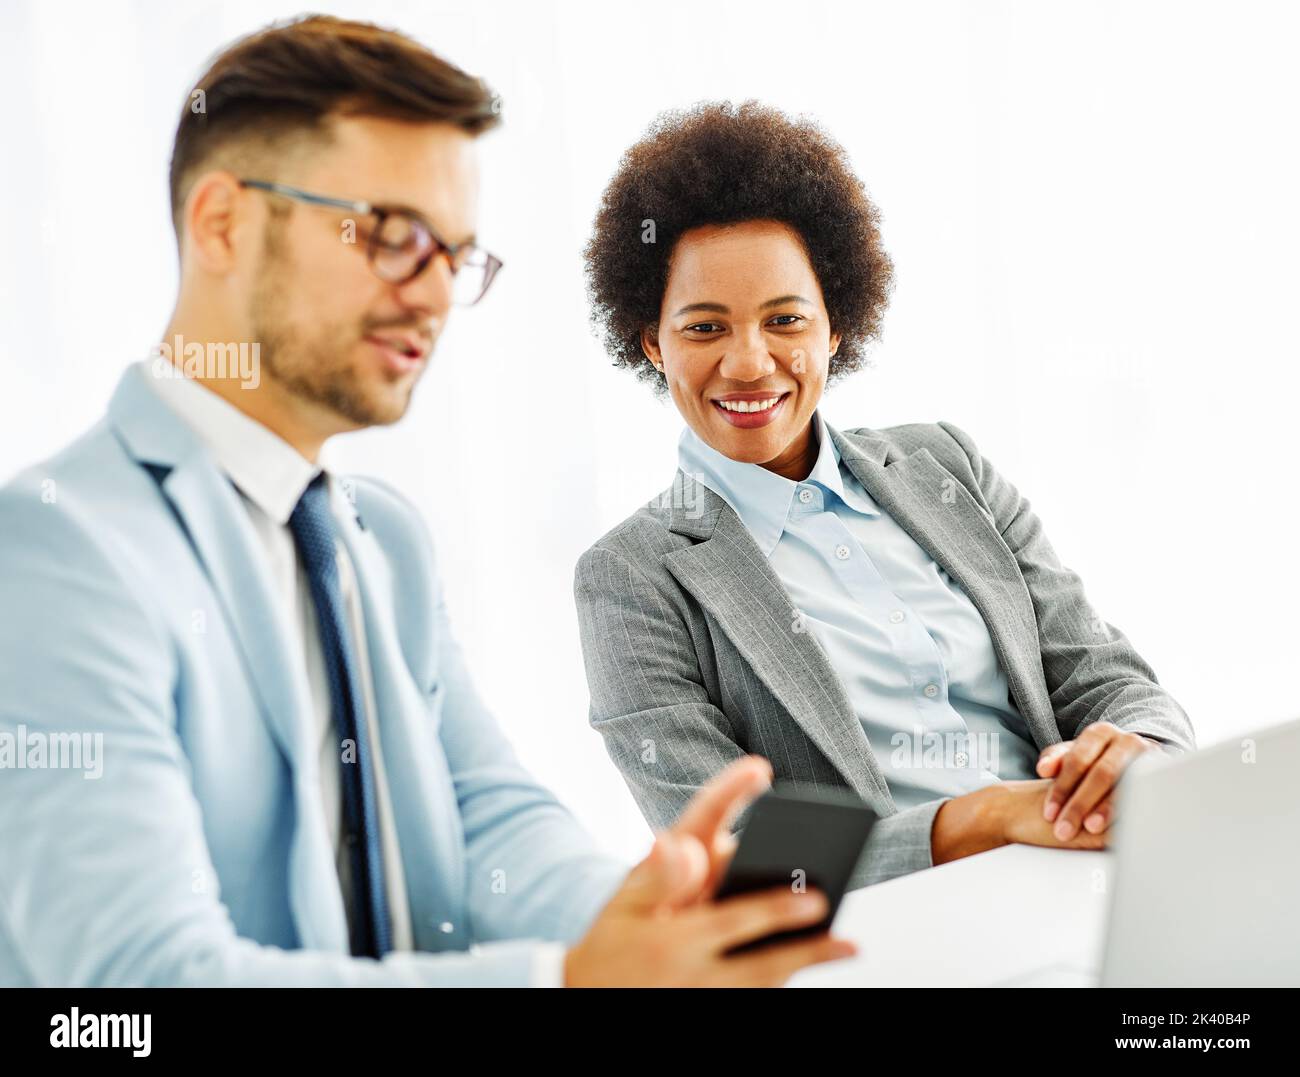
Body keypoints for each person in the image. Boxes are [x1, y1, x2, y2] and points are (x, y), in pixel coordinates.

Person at [0, 17, 855, 988]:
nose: (433, 294)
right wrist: (564, 981)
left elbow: (487, 816)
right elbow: (133, 987)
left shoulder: (379, 540)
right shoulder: (57, 549)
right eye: (392, 235)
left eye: (452, 255)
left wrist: (652, 911)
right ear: (223, 224)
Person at [575, 101, 1195, 888]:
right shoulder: (632, 578)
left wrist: (1136, 748)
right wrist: (991, 814)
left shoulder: (946, 465)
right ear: (651, 343)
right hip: (889, 934)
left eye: (785, 319)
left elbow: (1101, 670)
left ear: (835, 326)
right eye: (704, 328)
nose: (750, 362)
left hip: (1093, 874)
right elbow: (741, 848)